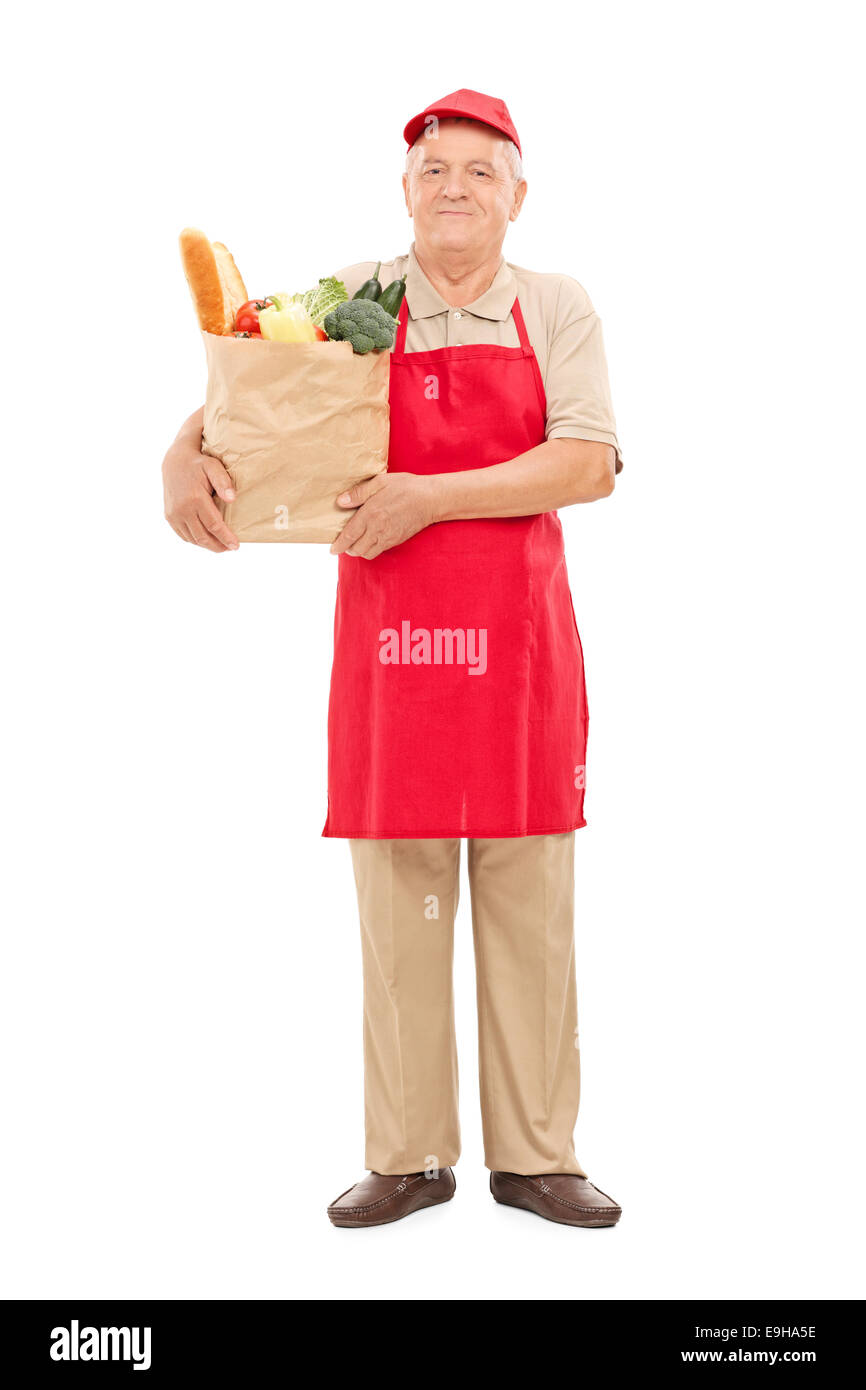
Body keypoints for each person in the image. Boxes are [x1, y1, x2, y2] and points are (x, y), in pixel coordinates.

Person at [162, 89, 623, 1229]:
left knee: (529, 905)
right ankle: (408, 1157)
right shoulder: (353, 298)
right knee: (398, 910)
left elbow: (585, 464)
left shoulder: (556, 306)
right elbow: (252, 396)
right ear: (404, 192)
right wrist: (179, 454)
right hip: (394, 647)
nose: (454, 186)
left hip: (518, 650)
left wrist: (428, 496)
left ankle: (538, 1157)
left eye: (479, 170)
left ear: (518, 196)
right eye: (432, 170)